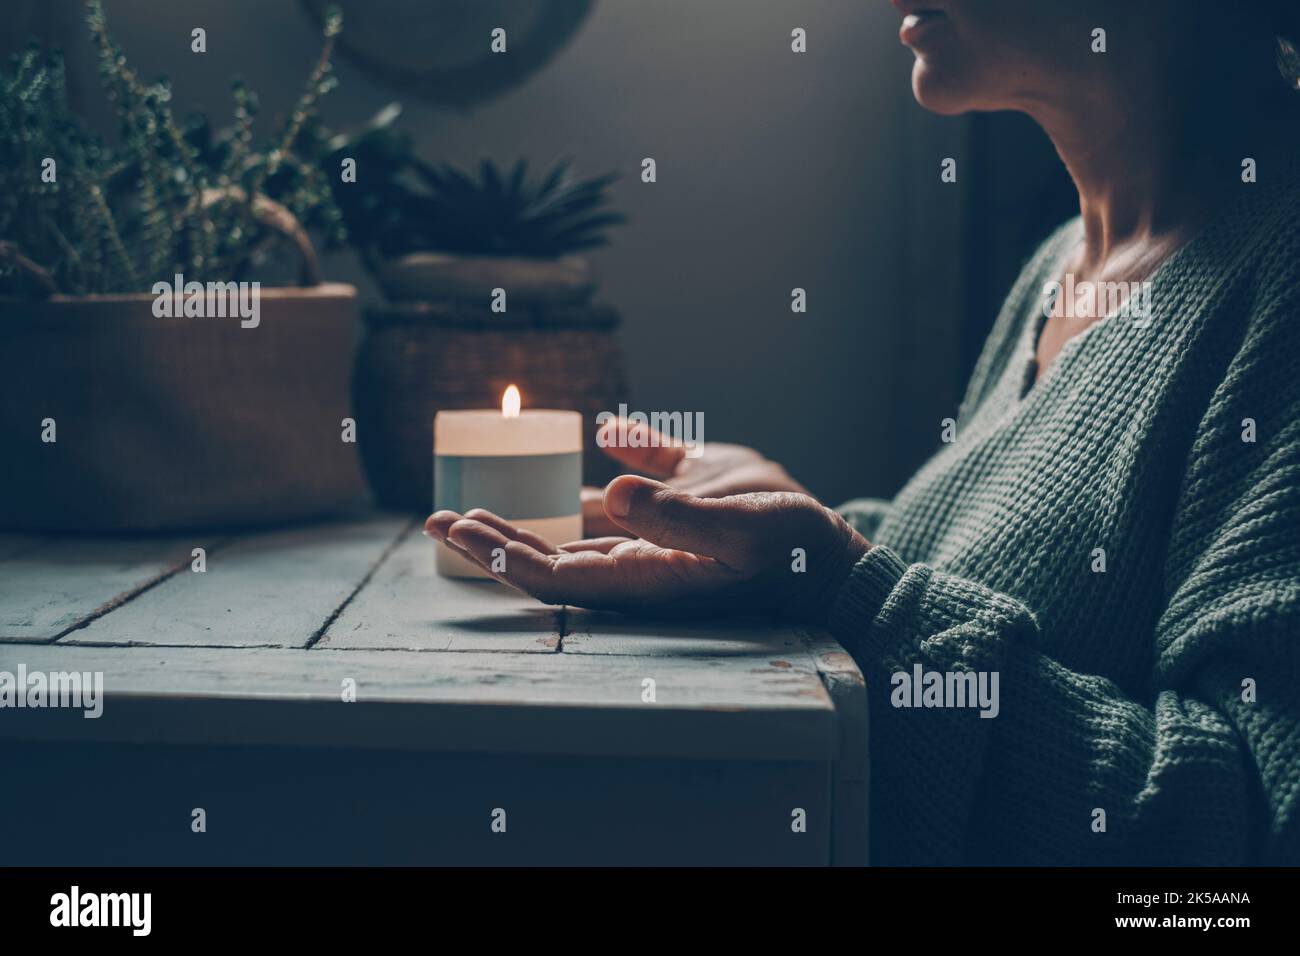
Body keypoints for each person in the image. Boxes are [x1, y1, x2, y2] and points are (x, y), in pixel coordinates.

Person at [426, 0, 1300, 864]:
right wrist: (804, 530)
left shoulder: (1279, 287)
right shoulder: (1064, 262)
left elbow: (1254, 834)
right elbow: (978, 579)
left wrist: (850, 591)